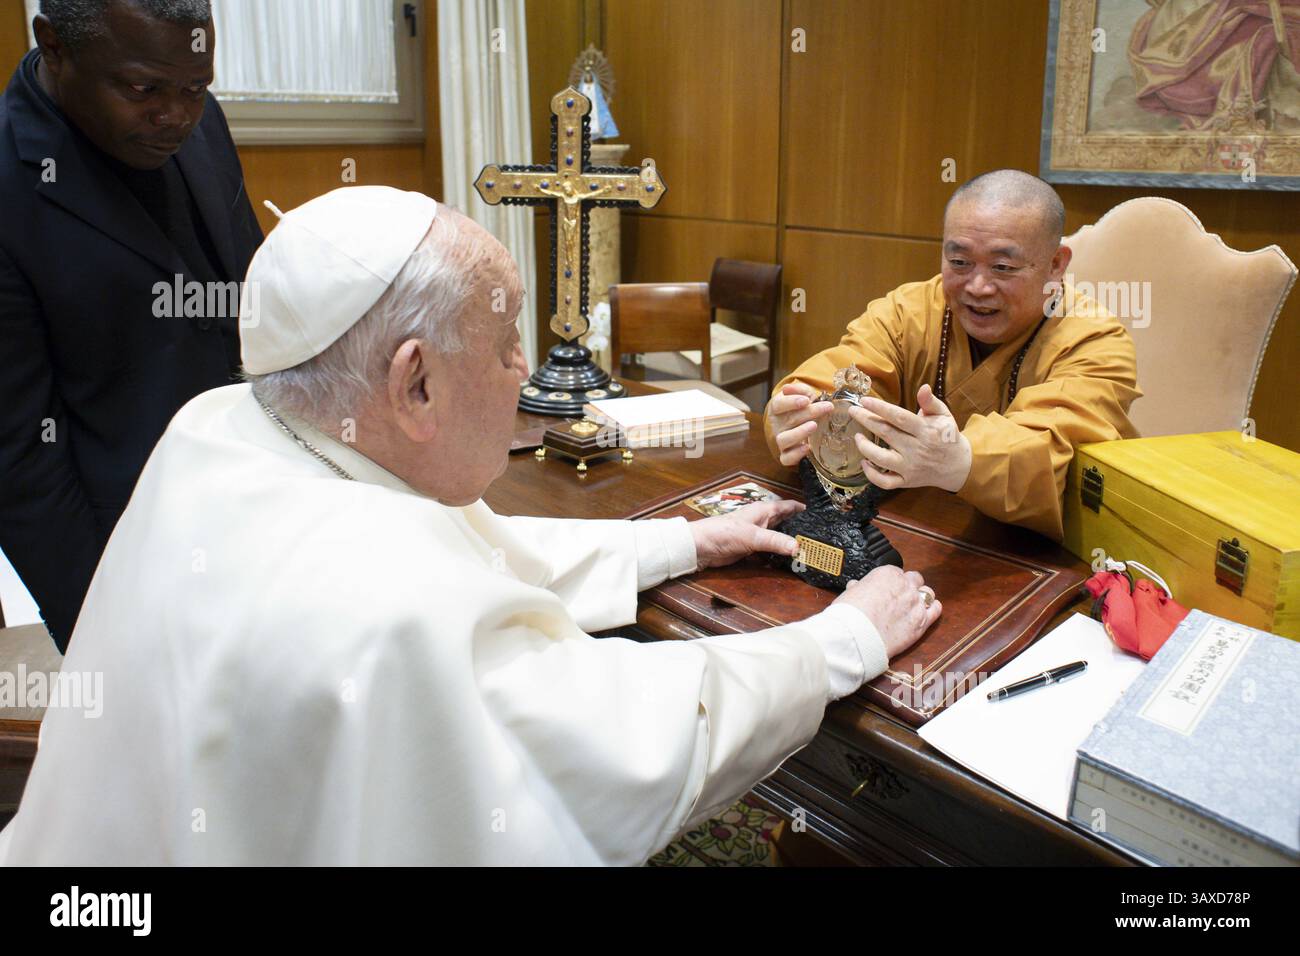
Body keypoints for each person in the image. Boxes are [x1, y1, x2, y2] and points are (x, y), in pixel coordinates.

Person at [0, 187, 942, 865]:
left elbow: (483, 555)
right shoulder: (390, 597)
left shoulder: (221, 425)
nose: (528, 371)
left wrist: (687, 541)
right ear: (413, 382)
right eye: (505, 346)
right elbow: (632, 742)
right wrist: (842, 640)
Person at [0, 0, 262, 650]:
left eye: (196, 88)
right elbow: (23, 462)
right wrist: (111, 637)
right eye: (144, 89)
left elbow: (256, 297)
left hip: (258, 513)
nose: (176, 117)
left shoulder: (193, 120)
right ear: (54, 46)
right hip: (131, 550)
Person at [766, 170, 1141, 541]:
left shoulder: (1094, 340)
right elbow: (840, 374)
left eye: (1003, 267)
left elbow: (1054, 450)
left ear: (1056, 264)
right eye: (959, 262)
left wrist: (962, 460)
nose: (977, 287)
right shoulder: (908, 311)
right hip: (915, 530)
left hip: (1040, 553)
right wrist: (793, 416)